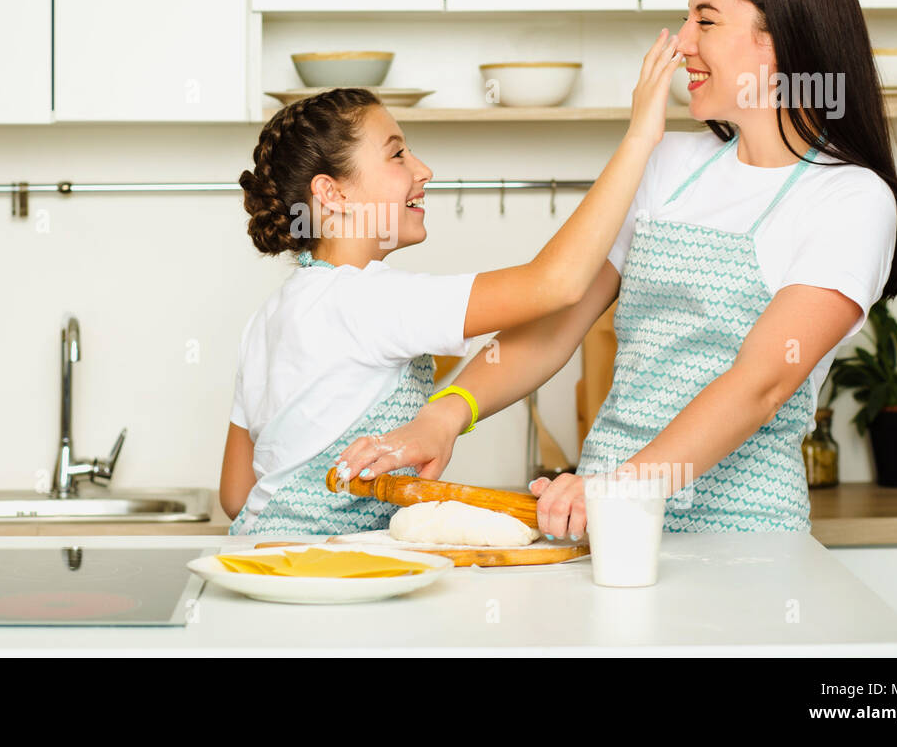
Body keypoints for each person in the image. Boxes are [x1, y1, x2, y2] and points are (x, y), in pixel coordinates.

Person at [336, 0, 897, 537]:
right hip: (602, 522)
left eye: (706, 21)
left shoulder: (850, 200)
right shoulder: (670, 164)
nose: (682, 41)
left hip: (739, 538)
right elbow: (559, 322)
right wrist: (444, 415)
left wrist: (622, 490)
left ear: (779, 38)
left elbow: (761, 382)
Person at [221, 52, 681, 534]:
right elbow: (556, 283)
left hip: (257, 555)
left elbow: (236, 494)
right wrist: (639, 138)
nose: (424, 170)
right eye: (397, 154)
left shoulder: (268, 318)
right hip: (327, 576)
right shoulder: (370, 301)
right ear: (333, 195)